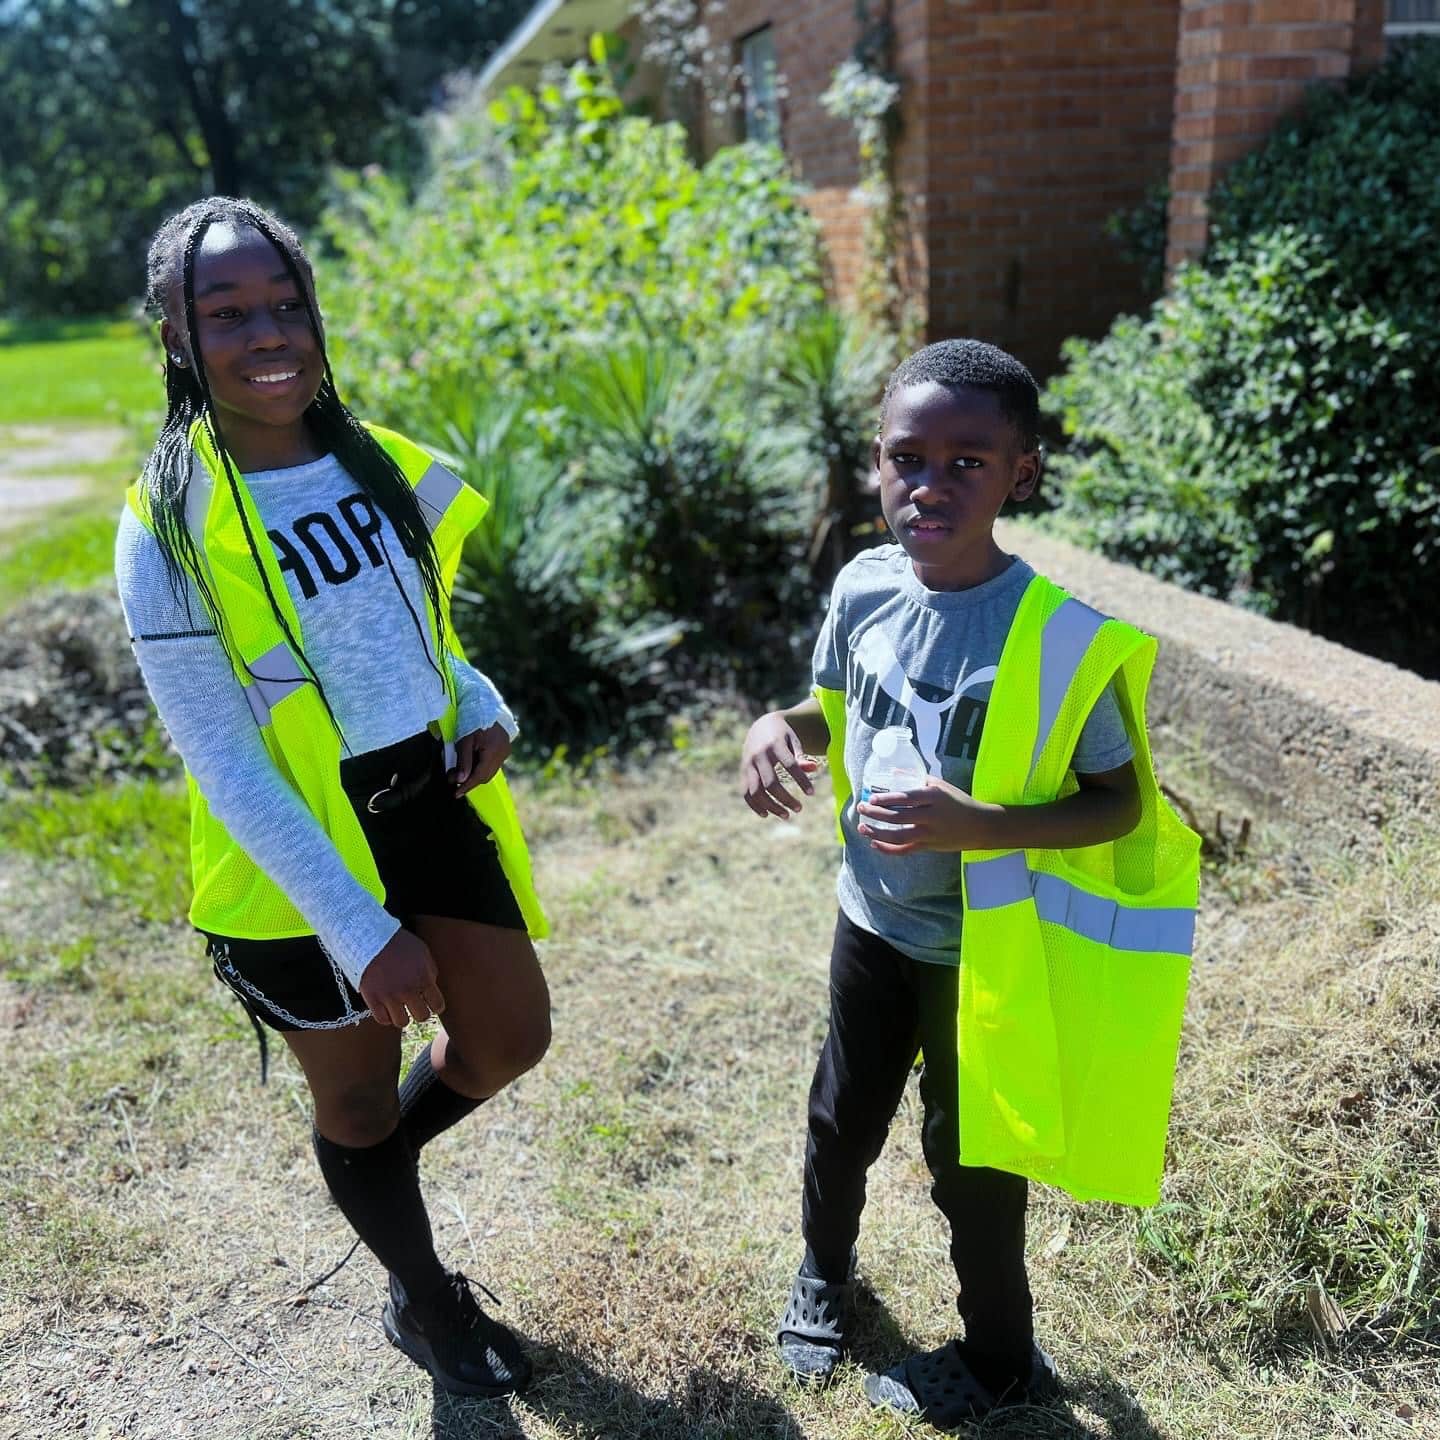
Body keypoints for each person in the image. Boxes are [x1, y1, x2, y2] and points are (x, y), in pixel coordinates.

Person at [115, 196, 550, 1399]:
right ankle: (423, 1291)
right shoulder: (168, 525)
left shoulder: (378, 460)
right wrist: (357, 931)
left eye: (285, 302)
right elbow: (224, 757)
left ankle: (366, 1180)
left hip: (419, 800)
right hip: (294, 854)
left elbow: (419, 627)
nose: (267, 333)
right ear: (175, 338)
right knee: (355, 1099)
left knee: (511, 1036)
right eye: (226, 312)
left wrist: (472, 693)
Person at [739, 339, 1145, 1426]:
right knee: (841, 1119)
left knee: (973, 1166)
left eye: (970, 461)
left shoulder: (1054, 636)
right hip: (871, 920)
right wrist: (774, 729)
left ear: (1022, 474)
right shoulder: (865, 586)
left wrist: (979, 827)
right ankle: (827, 1274)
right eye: (907, 457)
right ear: (875, 463)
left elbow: (1119, 800)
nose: (931, 483)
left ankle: (1002, 1359)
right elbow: (829, 710)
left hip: (987, 952)